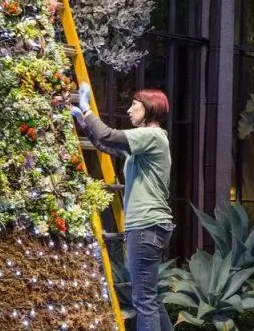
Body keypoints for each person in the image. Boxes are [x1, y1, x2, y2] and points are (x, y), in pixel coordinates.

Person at [70, 82, 174, 331]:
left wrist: (85, 108)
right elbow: (105, 145)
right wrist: (83, 122)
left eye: (134, 105)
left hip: (146, 226)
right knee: (150, 298)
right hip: (152, 226)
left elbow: (108, 134)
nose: (129, 110)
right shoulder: (145, 146)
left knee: (143, 301)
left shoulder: (151, 136)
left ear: (149, 107)